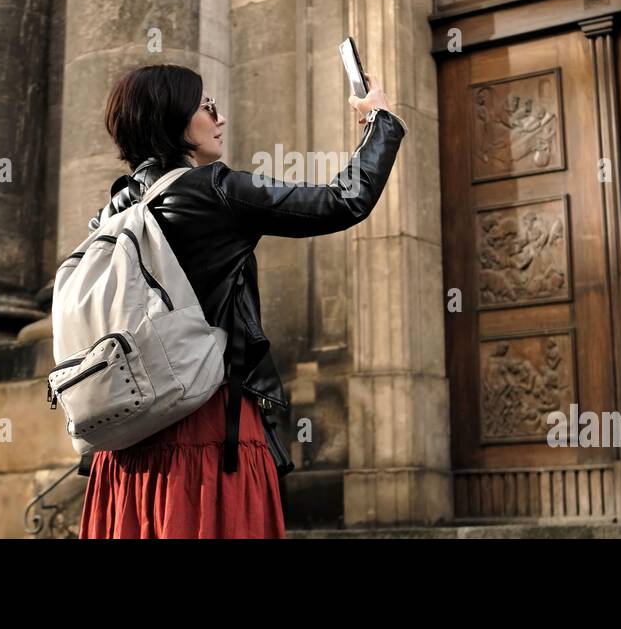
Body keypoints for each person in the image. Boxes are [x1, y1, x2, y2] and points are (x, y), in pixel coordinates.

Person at [77, 63, 408, 538]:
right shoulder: (215, 190)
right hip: (208, 430)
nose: (220, 119)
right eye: (207, 107)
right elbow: (343, 199)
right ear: (174, 120)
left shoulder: (111, 213)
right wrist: (379, 120)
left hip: (125, 439)